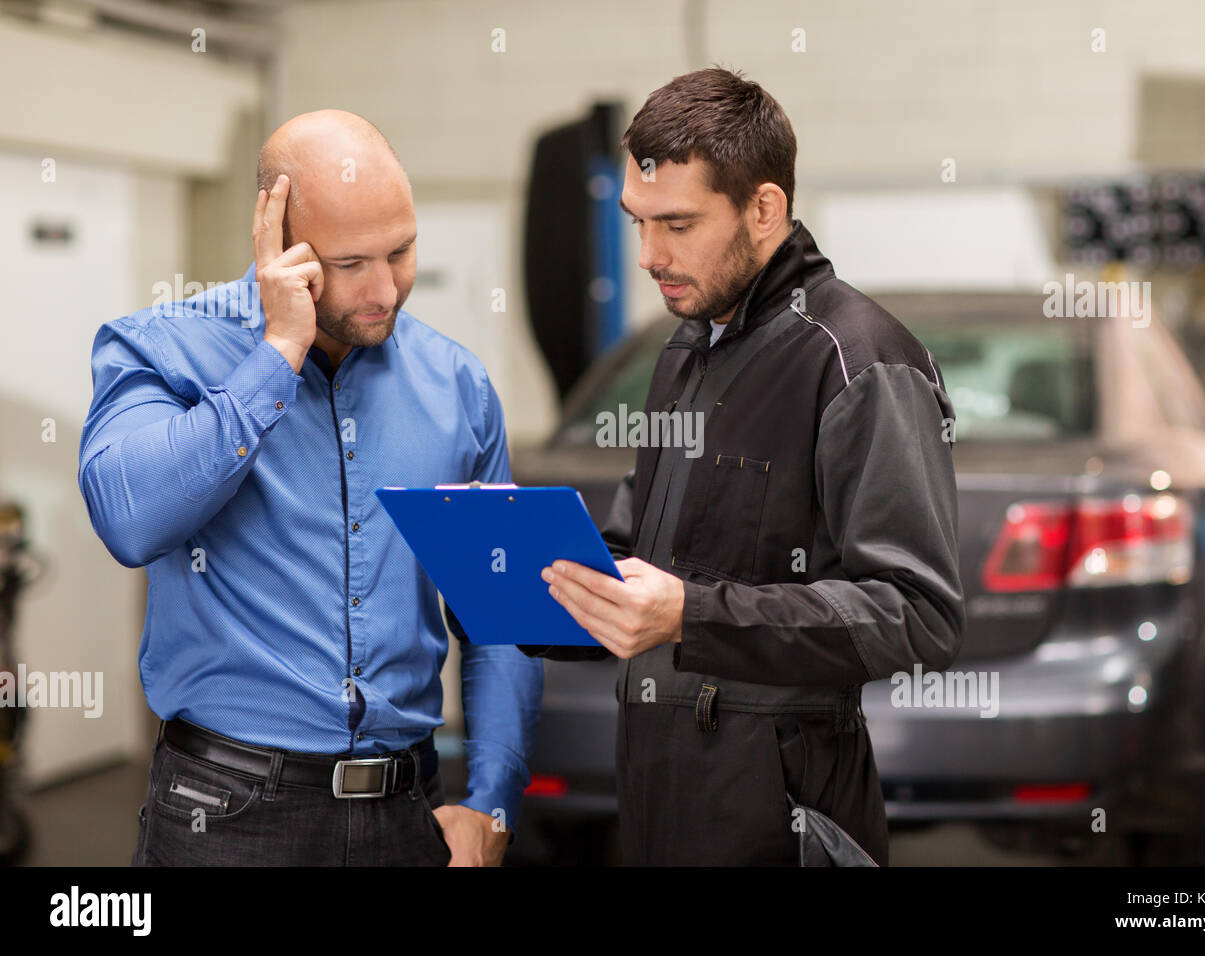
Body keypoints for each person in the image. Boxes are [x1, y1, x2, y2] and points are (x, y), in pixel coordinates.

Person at [78, 109, 542, 866]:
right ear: (278, 240)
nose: (387, 290)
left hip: (407, 815)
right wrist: (279, 352)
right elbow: (129, 520)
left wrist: (493, 798)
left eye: (403, 250)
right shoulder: (160, 347)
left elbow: (503, 609)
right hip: (224, 817)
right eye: (353, 262)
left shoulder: (458, 384)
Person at [535, 68, 965, 865]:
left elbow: (918, 613)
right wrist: (512, 581)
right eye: (637, 222)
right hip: (664, 801)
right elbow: (641, 569)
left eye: (677, 224)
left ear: (763, 209)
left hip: (785, 818)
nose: (648, 255)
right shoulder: (684, 353)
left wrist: (692, 614)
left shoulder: (860, 363)